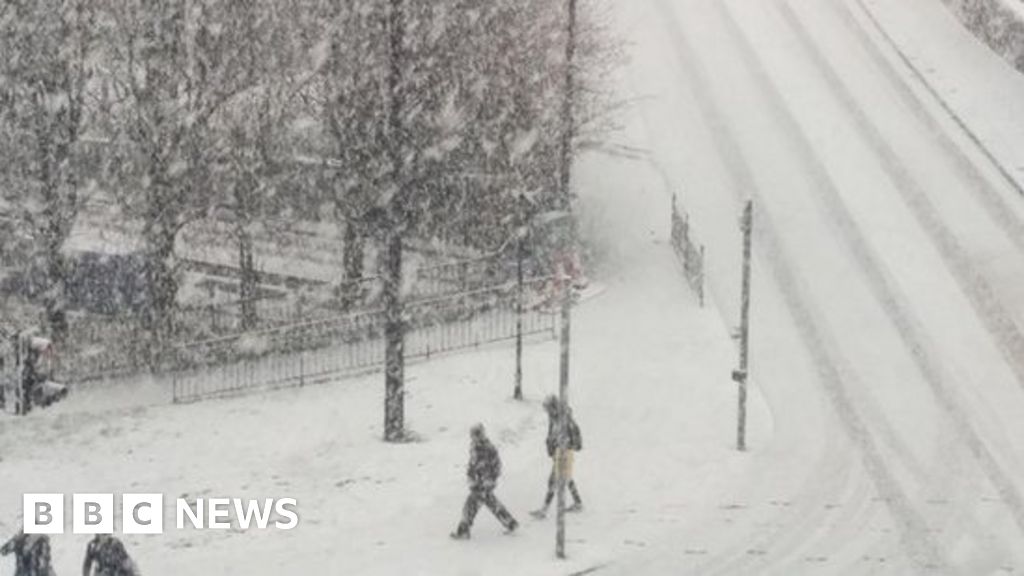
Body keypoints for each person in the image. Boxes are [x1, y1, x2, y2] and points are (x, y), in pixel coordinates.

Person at [450, 424, 518, 539]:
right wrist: (471, 477)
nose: (474, 437)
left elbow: (496, 465)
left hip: (484, 483)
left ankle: (464, 530)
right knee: (491, 503)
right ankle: (510, 523)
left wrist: (489, 480)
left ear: (481, 434)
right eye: (472, 435)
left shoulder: (488, 448)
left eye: (476, 434)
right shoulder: (474, 447)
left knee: (470, 505)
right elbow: (472, 464)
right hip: (478, 482)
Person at [531, 395, 583, 519]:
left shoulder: (565, 419)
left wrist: (566, 444)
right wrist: (550, 445)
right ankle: (578, 502)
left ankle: (544, 510)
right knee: (566, 478)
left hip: (564, 453)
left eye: (548, 408)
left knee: (553, 480)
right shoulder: (553, 418)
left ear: (553, 407)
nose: (547, 412)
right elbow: (551, 434)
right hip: (558, 452)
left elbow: (576, 437)